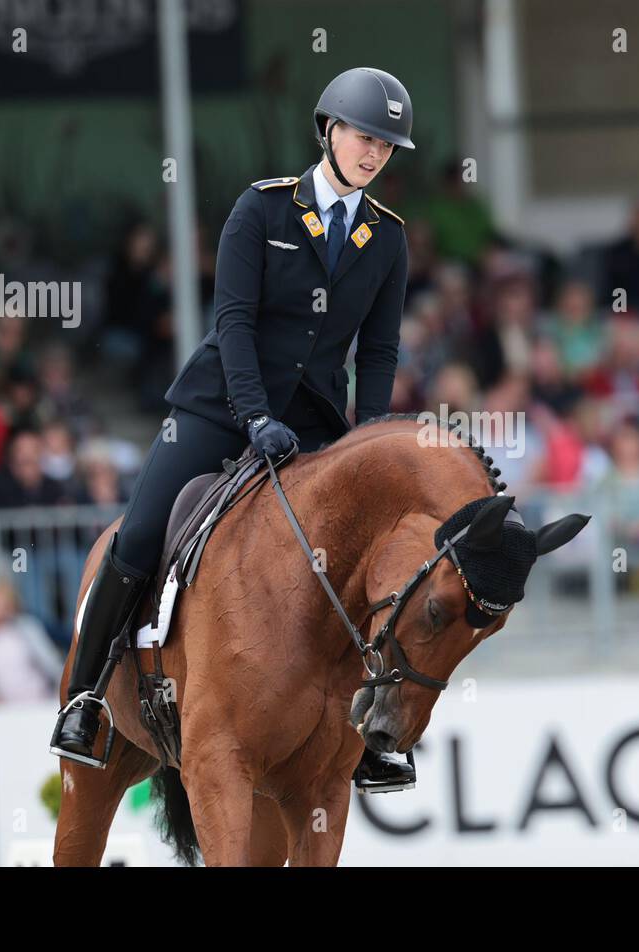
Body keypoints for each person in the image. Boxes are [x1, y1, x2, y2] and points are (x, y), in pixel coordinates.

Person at [51, 68, 419, 794]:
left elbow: (377, 352)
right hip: (221, 406)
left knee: (370, 565)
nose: (374, 153)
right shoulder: (262, 210)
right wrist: (253, 416)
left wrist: (368, 443)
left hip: (316, 423)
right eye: (364, 136)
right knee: (139, 534)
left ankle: (370, 730)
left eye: (386, 145)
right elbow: (234, 322)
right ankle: (87, 697)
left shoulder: (388, 240)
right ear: (330, 131)